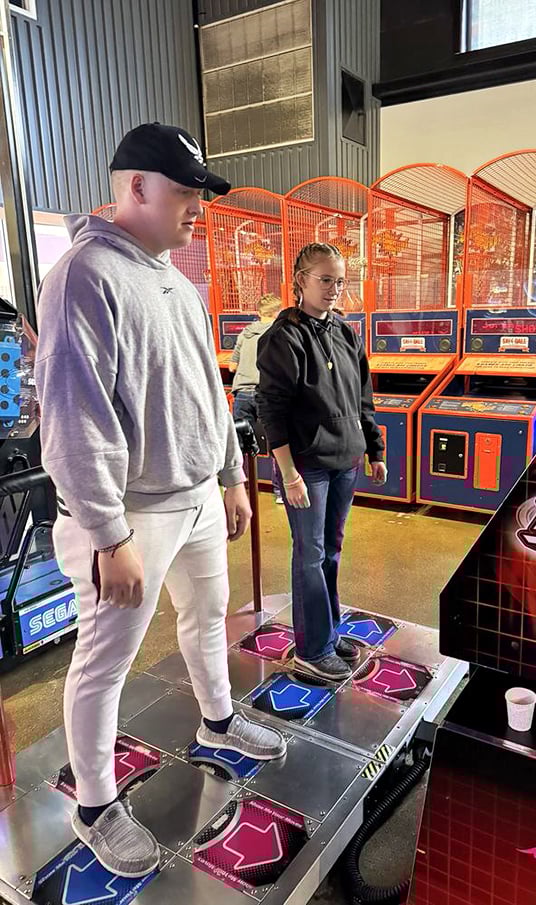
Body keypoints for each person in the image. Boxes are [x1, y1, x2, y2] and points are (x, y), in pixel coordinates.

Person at [35, 122, 286, 879]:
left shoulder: (177, 280)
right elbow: (73, 417)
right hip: (129, 514)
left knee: (207, 616)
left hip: (197, 498)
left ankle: (217, 722)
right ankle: (96, 805)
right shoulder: (84, 274)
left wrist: (231, 474)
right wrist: (109, 534)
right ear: (136, 186)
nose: (198, 209)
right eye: (186, 192)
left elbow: (206, 390)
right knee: (103, 663)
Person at [257, 243, 387, 682]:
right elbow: (270, 410)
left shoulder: (346, 334)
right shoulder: (283, 337)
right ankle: (312, 649)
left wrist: (374, 450)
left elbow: (362, 399)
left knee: (331, 550)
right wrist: (288, 473)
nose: (334, 289)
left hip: (345, 460)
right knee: (309, 555)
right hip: (306, 467)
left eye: (340, 281)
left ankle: (327, 633)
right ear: (301, 280)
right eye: (325, 279)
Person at [229, 293, 284, 502]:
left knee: (240, 444)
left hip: (242, 393)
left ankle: (236, 488)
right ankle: (279, 492)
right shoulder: (280, 333)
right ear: (277, 312)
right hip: (267, 395)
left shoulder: (245, 333)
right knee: (276, 444)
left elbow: (232, 366)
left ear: (259, 313)